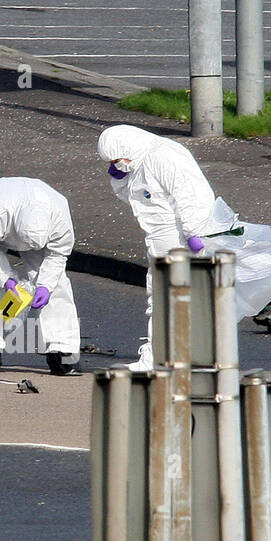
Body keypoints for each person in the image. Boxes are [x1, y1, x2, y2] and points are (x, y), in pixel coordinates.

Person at [97, 124, 215, 371]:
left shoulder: (162, 156)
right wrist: (121, 175)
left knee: (169, 296)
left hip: (178, 235)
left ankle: (160, 358)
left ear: (126, 148)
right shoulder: (139, 159)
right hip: (160, 236)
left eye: (118, 160)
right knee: (166, 295)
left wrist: (193, 231)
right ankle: (171, 356)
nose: (118, 165)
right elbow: (136, 197)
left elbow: (189, 194)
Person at [0, 177, 81, 377]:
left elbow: (58, 254)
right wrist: (5, 280)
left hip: (42, 236)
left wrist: (45, 285)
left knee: (58, 284)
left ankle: (63, 350)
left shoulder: (59, 217)